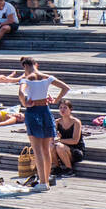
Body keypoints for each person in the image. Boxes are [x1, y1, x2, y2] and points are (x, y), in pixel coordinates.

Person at [18, 56, 69, 191]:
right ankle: (45, 181)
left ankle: (42, 182)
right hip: (45, 110)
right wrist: (56, 100)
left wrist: (24, 103)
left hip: (33, 111)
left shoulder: (26, 79)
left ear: (24, 67)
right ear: (36, 64)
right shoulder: (47, 77)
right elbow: (65, 88)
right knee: (46, 149)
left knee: (37, 149)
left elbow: (21, 92)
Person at [51, 99, 85, 174]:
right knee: (51, 146)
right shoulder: (57, 122)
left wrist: (60, 140)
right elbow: (53, 137)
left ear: (70, 109)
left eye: (65, 108)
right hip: (61, 148)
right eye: (61, 108)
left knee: (59, 146)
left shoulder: (76, 122)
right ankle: (57, 168)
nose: (62, 110)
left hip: (76, 150)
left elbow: (75, 140)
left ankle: (69, 169)